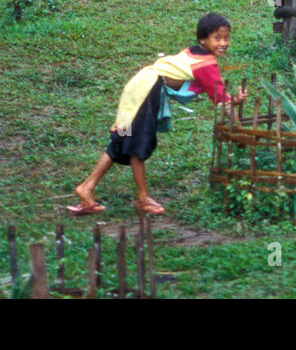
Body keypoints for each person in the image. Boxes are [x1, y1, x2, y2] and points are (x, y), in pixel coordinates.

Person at [68, 13, 246, 216]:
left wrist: (234, 101)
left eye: (226, 38)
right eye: (217, 38)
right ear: (202, 40)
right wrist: (239, 131)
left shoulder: (194, 53)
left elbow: (220, 95)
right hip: (145, 96)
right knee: (137, 144)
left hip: (135, 92)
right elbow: (222, 101)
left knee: (123, 137)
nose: (223, 43)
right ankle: (142, 198)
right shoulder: (205, 64)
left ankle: (86, 188)